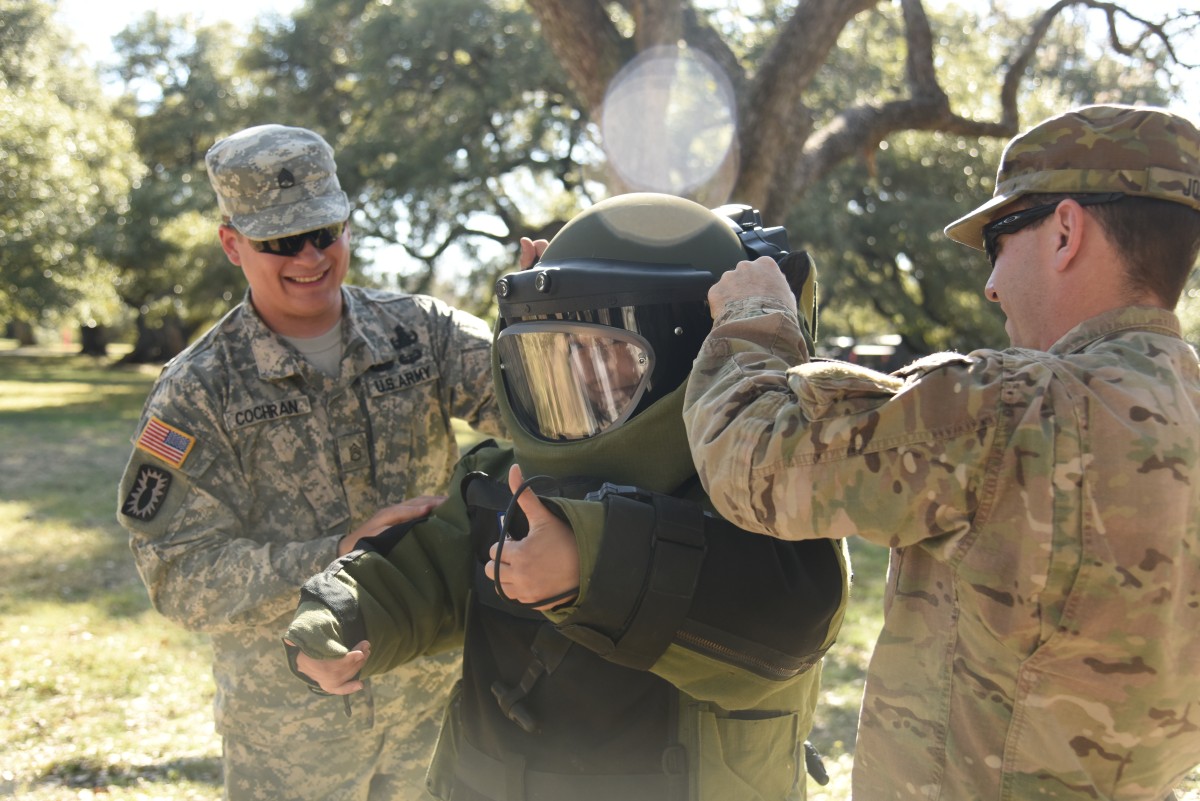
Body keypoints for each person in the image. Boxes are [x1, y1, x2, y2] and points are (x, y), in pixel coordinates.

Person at [683, 103, 1200, 799]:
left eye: (999, 239)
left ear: (1066, 231)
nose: (991, 283)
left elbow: (751, 462)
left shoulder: (1012, 407)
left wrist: (756, 316)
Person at [284, 193, 850, 801]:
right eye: (563, 352)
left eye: (615, 357)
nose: (586, 379)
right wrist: (340, 617)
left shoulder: (766, 498)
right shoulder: (506, 479)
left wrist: (594, 566)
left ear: (695, 355)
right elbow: (426, 572)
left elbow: (784, 630)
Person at [116, 123, 507, 801]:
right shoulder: (197, 390)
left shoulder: (421, 331)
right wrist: (335, 555)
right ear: (232, 243)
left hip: (433, 704)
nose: (309, 256)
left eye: (324, 233)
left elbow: (547, 414)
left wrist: (547, 321)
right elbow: (178, 574)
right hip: (291, 736)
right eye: (279, 241)